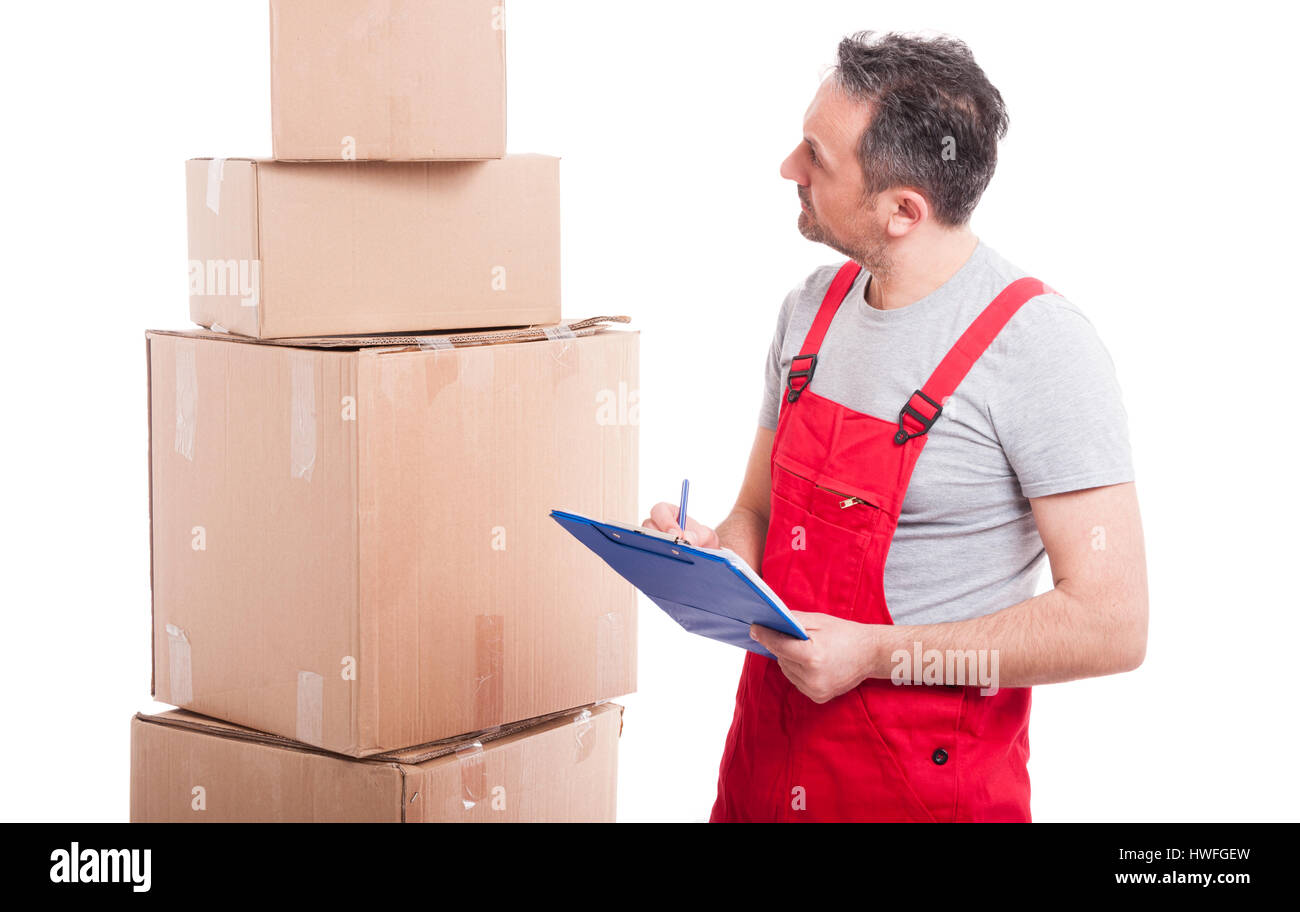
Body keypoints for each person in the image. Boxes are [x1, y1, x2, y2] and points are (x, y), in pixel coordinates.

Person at [642, 30, 1147, 822]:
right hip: (766, 769)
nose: (788, 170)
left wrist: (874, 656)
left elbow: (1112, 624)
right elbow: (758, 512)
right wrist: (718, 564)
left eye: (817, 157)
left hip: (921, 790)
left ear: (903, 210)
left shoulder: (1040, 348)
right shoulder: (811, 310)